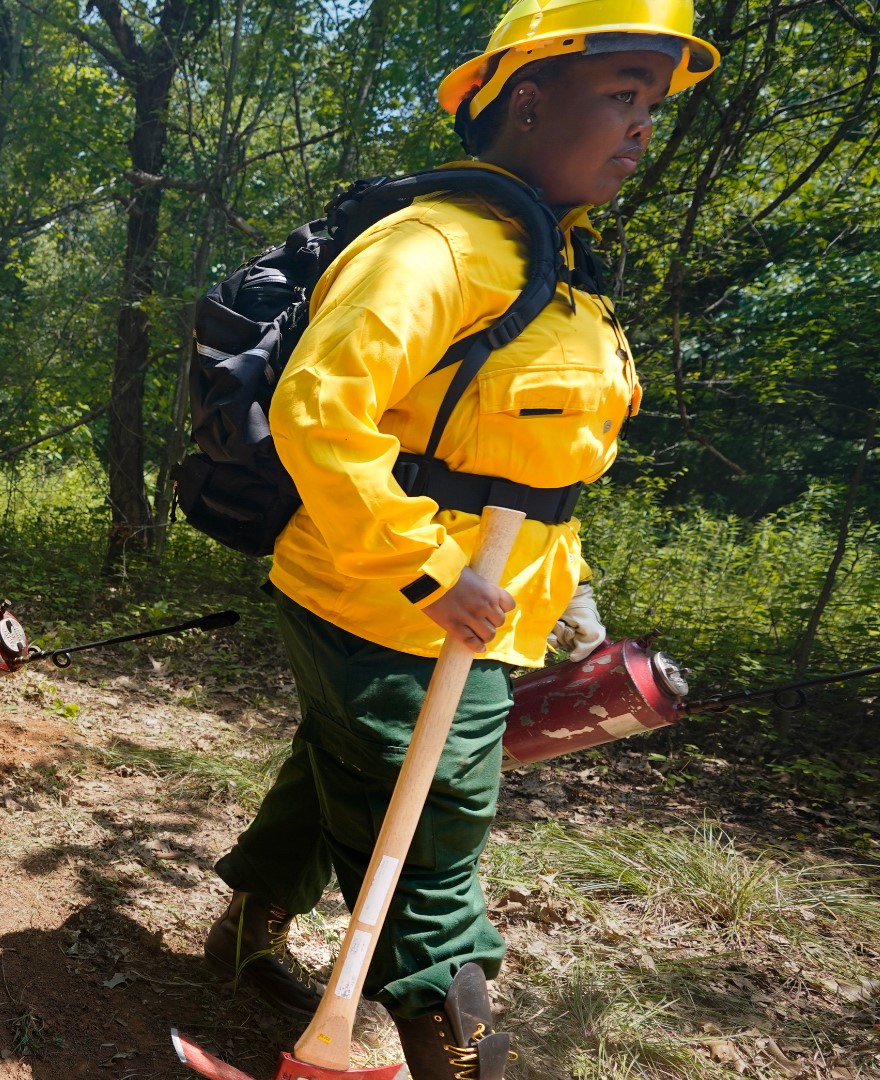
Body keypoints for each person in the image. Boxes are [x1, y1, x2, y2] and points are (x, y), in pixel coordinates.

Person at [199, 2, 720, 1076]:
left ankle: (243, 934)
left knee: (337, 768)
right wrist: (426, 571)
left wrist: (569, 608)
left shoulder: (566, 275)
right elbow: (319, 417)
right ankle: (452, 1053)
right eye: (621, 97)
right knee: (430, 862)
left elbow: (541, 475)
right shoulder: (431, 248)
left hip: (487, 616)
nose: (641, 132)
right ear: (528, 100)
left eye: (653, 108)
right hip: (380, 603)